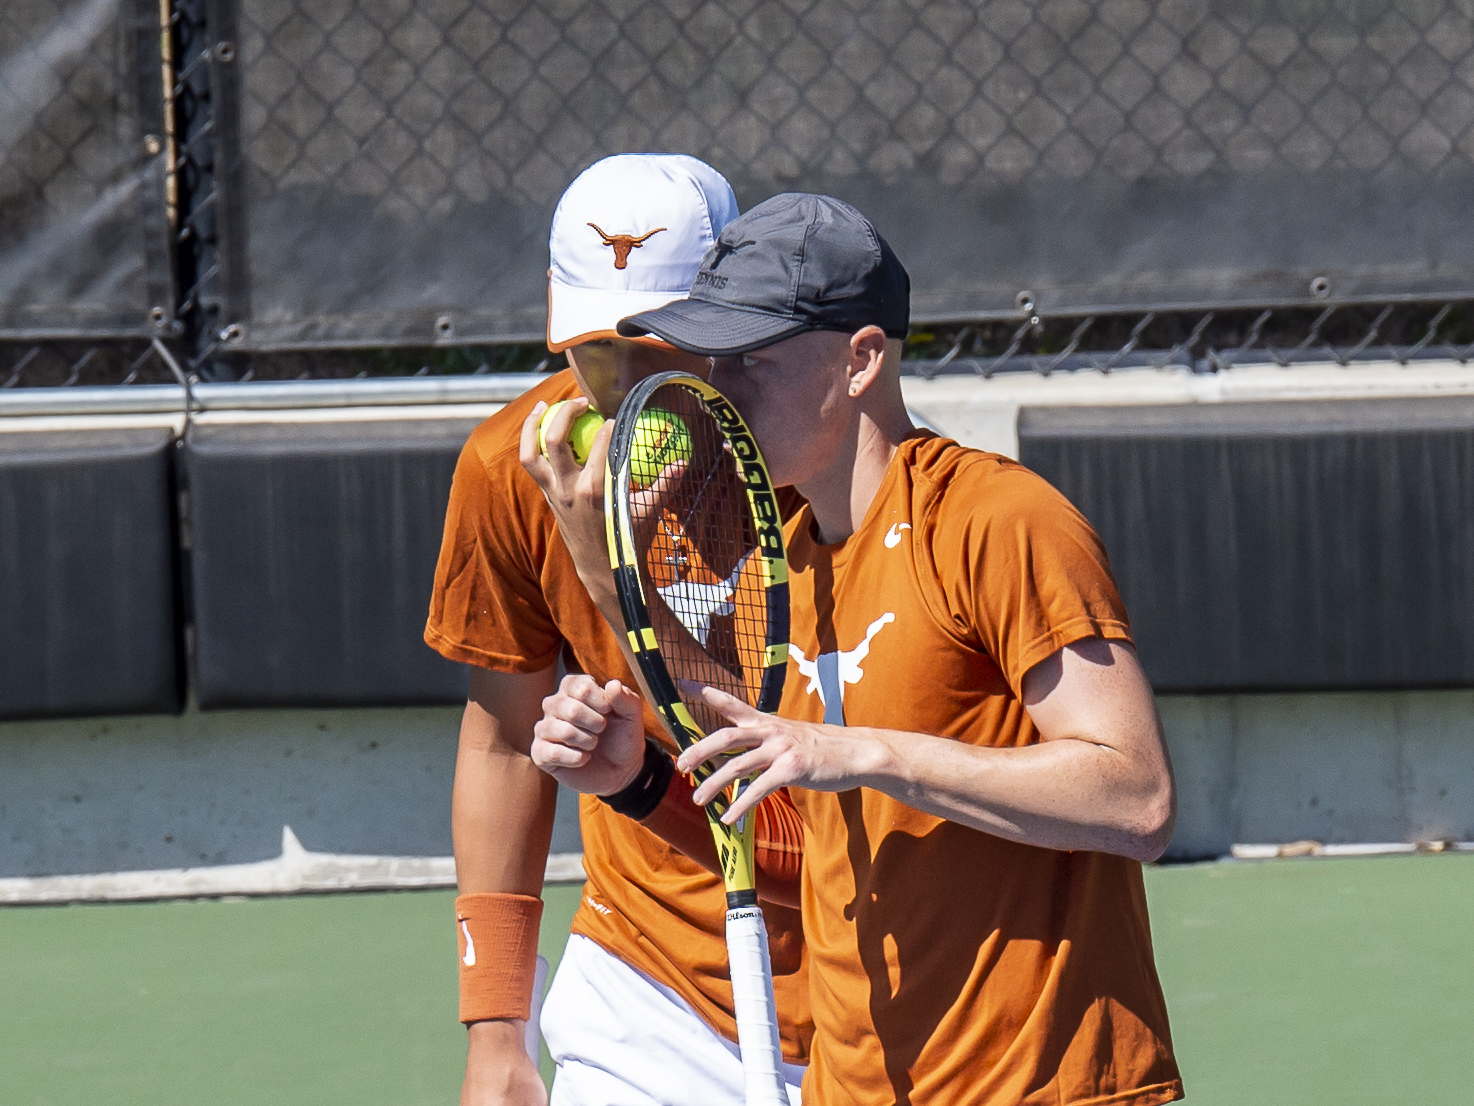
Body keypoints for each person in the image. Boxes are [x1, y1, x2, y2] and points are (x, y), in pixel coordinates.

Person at [530, 193, 1184, 1106]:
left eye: (751, 359)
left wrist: (866, 753)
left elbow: (1136, 799)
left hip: (1046, 1087)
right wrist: (640, 782)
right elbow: (814, 861)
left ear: (861, 359)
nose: (720, 386)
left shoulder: (1000, 521)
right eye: (711, 358)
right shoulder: (784, 569)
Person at [425, 155, 810, 1106]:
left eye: (663, 345)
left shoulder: (831, 470)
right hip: (639, 1001)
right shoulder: (512, 465)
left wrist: (608, 582)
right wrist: (496, 1030)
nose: (627, 386)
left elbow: (817, 821)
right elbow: (509, 740)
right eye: (598, 352)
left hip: (864, 991)